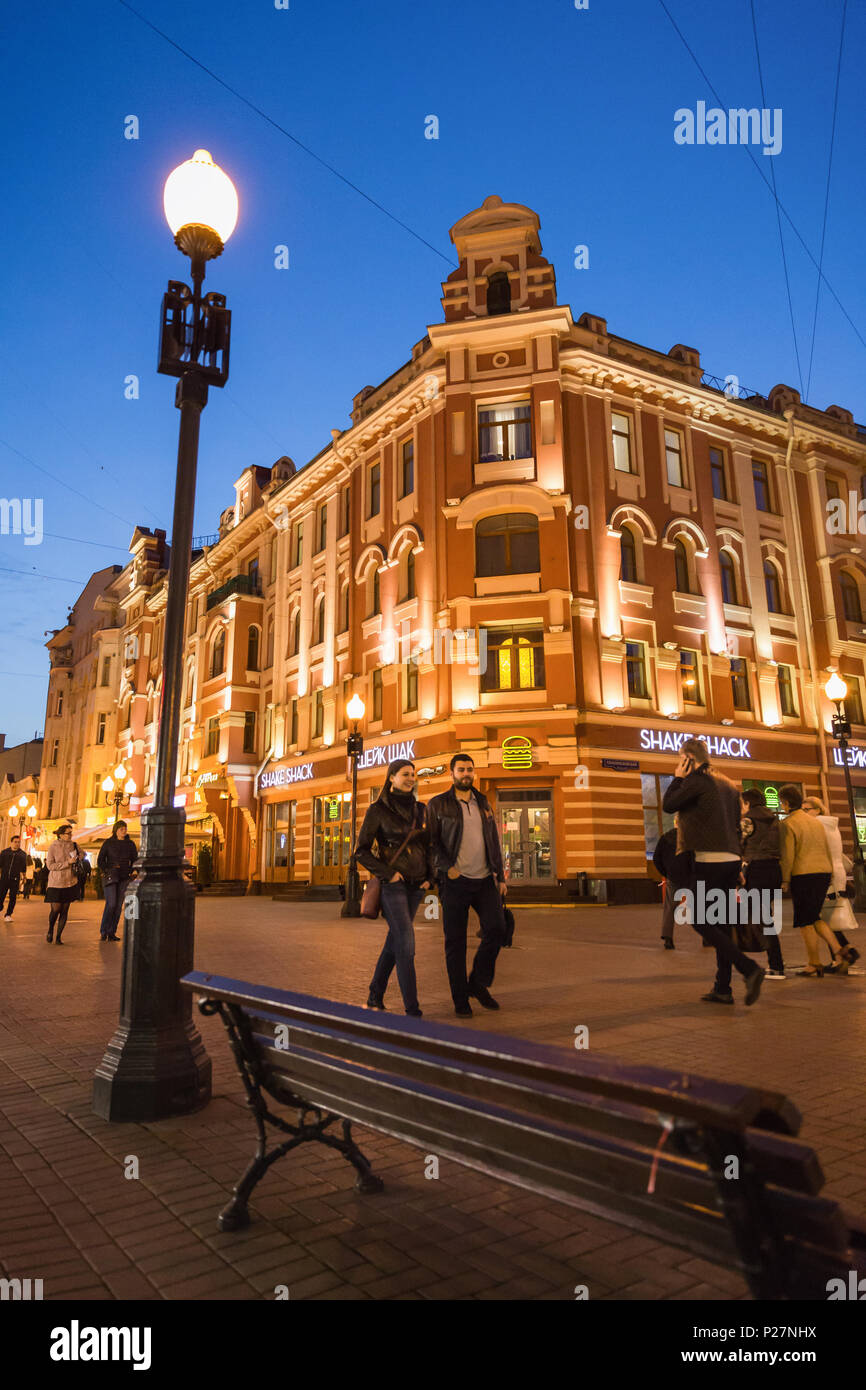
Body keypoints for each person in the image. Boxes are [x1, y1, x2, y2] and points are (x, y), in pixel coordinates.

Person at [662, 738, 765, 1006]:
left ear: (688, 759)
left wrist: (677, 778)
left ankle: (749, 969)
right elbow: (735, 824)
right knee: (721, 924)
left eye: (679, 758)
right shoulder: (729, 784)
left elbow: (669, 805)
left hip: (709, 859)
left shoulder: (697, 780)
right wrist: (739, 862)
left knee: (699, 919)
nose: (678, 764)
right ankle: (723, 987)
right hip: (730, 859)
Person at [427, 754, 507, 1018]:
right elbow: (431, 843)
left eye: (470, 770)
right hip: (455, 882)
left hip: (485, 879)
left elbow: (493, 839)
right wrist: (446, 868)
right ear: (451, 772)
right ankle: (460, 998)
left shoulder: (483, 802)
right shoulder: (438, 804)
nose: (466, 774)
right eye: (461, 770)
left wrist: (501, 877)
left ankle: (477, 983)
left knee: (497, 929)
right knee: (456, 943)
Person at [355, 759, 432, 1016]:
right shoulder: (377, 810)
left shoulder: (422, 810)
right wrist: (389, 874)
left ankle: (375, 994)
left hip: (417, 885)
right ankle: (413, 1010)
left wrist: (429, 877)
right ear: (391, 778)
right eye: (405, 774)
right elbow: (361, 852)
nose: (411, 778)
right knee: (406, 943)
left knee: (396, 939)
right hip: (393, 885)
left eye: (413, 774)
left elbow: (430, 846)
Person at [778, 784, 847, 978]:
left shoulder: (788, 824)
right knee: (813, 916)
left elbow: (788, 854)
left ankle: (814, 962)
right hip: (823, 873)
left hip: (803, 874)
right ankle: (839, 949)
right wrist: (830, 872)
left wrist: (785, 879)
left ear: (784, 803)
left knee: (805, 920)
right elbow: (826, 848)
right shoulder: (815, 822)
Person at [801, 796, 859, 971]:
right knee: (826, 918)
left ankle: (846, 951)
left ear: (818, 810)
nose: (804, 813)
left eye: (807, 809)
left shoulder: (818, 826)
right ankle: (840, 959)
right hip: (834, 874)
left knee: (819, 918)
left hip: (826, 875)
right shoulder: (830, 825)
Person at [740, 787, 785, 979]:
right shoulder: (775, 819)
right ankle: (775, 963)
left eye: (742, 804)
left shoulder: (748, 820)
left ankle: (774, 964)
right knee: (765, 916)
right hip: (773, 870)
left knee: (760, 918)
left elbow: (738, 844)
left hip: (756, 871)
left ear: (747, 803)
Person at [652, 816, 691, 949]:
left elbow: (656, 858)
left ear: (675, 822)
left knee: (670, 907)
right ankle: (707, 938)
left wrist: (666, 872)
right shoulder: (691, 837)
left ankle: (668, 937)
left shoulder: (665, 838)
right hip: (691, 876)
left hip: (673, 876)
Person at [96, 822, 138, 941]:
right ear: (116, 830)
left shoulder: (130, 844)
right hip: (111, 876)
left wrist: (133, 870)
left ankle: (111, 931)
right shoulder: (108, 843)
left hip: (124, 877)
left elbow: (135, 859)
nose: (124, 831)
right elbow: (100, 860)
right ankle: (104, 930)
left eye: (125, 829)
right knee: (112, 903)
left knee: (118, 906)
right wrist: (107, 868)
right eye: (121, 829)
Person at [45, 825, 81, 944]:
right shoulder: (53, 846)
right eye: (68, 833)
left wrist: (78, 857)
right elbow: (50, 866)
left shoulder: (74, 845)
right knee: (56, 909)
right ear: (60, 835)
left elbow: (82, 854)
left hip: (70, 882)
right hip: (56, 882)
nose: (70, 835)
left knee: (65, 910)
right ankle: (50, 929)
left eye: (71, 833)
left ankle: (59, 937)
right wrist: (67, 863)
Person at [0, 835, 28, 921]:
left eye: (18, 842)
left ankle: (8, 914)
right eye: (15, 842)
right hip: (4, 878)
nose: (17, 844)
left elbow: (23, 867)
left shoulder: (22, 854)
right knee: (1, 896)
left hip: (15, 879)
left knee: (13, 897)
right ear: (11, 842)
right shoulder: (4, 852)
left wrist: (24, 877)